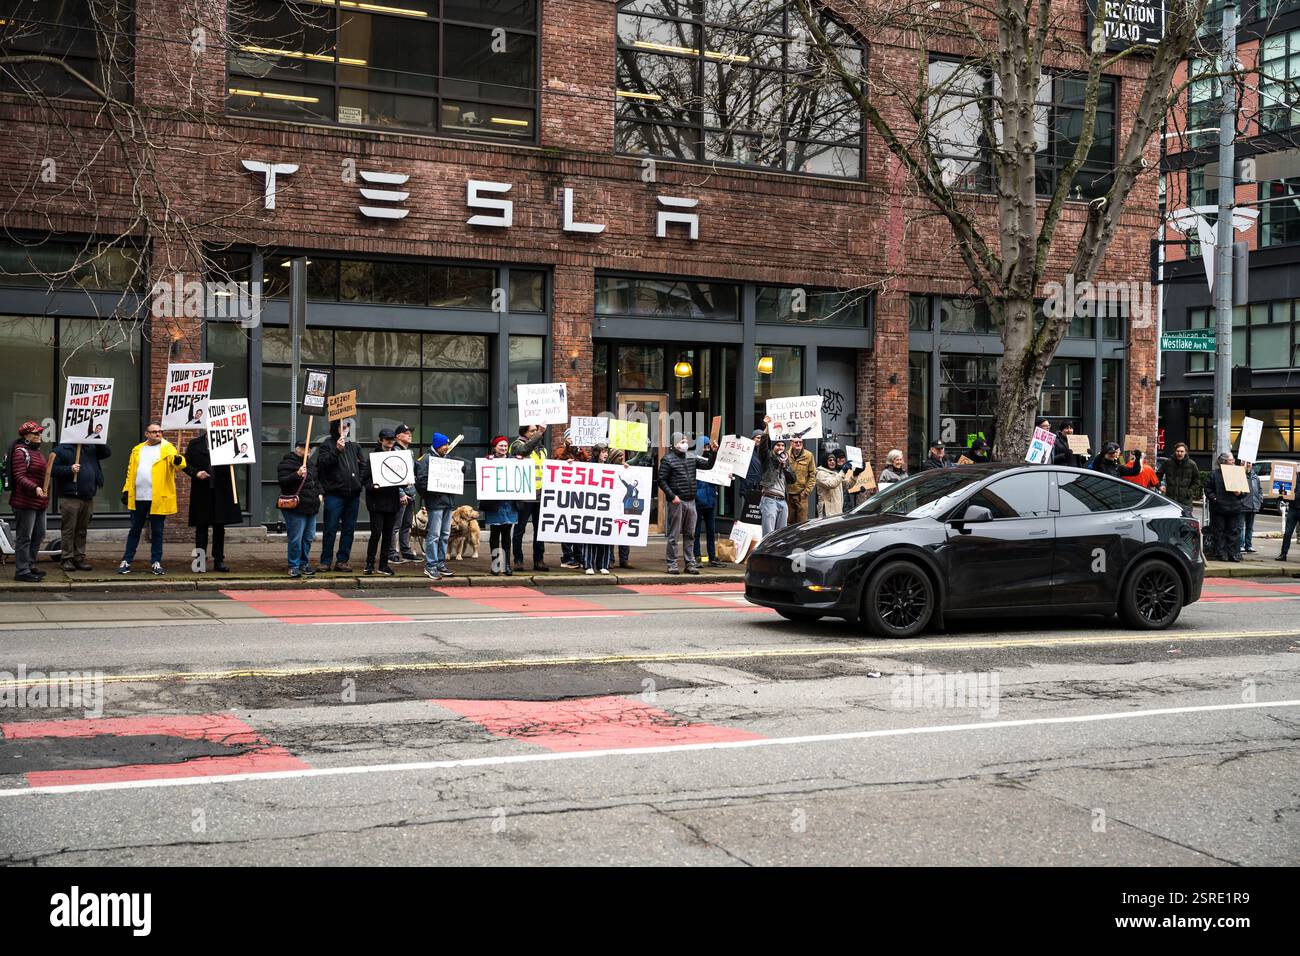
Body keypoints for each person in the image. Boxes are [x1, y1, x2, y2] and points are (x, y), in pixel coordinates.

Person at [118, 423, 186, 575]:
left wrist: (178, 461)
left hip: (158, 497)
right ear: (146, 434)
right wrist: (126, 490)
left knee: (157, 531)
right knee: (135, 529)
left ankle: (156, 562)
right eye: (154, 432)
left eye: (160, 432)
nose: (158, 434)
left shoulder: (167, 448)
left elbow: (179, 464)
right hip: (138, 496)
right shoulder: (137, 449)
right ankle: (126, 561)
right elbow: (130, 471)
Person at [657, 431, 717, 575]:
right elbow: (661, 480)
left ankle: (690, 563)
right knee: (674, 535)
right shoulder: (668, 460)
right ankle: (672, 564)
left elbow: (708, 465)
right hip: (677, 501)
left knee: (690, 534)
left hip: (691, 501)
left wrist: (714, 453)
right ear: (674, 444)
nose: (684, 444)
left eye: (685, 441)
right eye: (681, 441)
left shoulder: (691, 457)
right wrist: (672, 496)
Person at [183, 431, 241, 573]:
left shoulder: (227, 441)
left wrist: (234, 441)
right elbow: (186, 464)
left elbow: (239, 456)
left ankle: (219, 560)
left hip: (221, 490)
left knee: (219, 527)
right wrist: (196, 473)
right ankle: (200, 561)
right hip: (202, 491)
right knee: (201, 527)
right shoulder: (195, 444)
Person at [50, 437, 111, 571]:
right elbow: (52, 470)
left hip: (87, 496)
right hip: (70, 496)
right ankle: (67, 559)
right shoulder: (61, 449)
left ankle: (79, 558)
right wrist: (69, 469)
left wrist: (96, 439)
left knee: (82, 530)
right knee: (69, 530)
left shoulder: (91, 447)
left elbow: (107, 453)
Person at [316, 419, 364, 572]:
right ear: (335, 428)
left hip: (352, 495)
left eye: (347, 427)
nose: (345, 429)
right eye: (342, 426)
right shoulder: (327, 445)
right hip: (335, 494)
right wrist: (336, 450)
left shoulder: (354, 446)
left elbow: (363, 466)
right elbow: (322, 464)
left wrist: (359, 482)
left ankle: (342, 560)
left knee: (348, 529)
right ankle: (325, 561)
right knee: (330, 528)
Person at [7, 421, 49, 582]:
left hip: (39, 502)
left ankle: (30, 566)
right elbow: (19, 476)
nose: (39, 436)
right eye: (35, 433)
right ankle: (22, 571)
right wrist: (35, 488)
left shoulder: (37, 452)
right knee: (24, 536)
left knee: (39, 533)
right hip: (24, 502)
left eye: (39, 433)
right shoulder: (20, 452)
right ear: (26, 436)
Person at [414, 432, 458, 581]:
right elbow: (421, 482)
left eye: (447, 444)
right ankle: (431, 565)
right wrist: (431, 493)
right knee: (434, 535)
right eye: (444, 445)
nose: (447, 447)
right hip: (436, 503)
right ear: (437, 445)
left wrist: (461, 472)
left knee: (445, 534)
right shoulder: (426, 460)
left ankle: (440, 563)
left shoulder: (446, 458)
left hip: (447, 502)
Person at [277, 439, 322, 578]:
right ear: (298, 449)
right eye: (305, 448)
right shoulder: (287, 463)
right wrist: (296, 474)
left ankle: (303, 563)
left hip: (311, 506)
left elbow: (316, 481)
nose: (308, 451)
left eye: (309, 449)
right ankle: (294, 566)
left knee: (308, 537)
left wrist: (321, 493)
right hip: (295, 507)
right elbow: (283, 481)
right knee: (296, 538)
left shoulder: (310, 464)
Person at [510, 423, 549, 572]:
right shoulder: (516, 445)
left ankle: (539, 560)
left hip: (541, 495)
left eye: (536, 431)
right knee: (520, 528)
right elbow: (524, 451)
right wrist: (540, 433)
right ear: (524, 432)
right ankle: (518, 560)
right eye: (532, 431)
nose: (535, 433)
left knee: (540, 530)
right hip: (525, 495)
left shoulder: (542, 449)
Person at [363, 427, 401, 576]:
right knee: (376, 533)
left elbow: (402, 476)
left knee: (388, 534)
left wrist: (407, 481)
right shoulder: (373, 456)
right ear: (380, 440)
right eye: (387, 440)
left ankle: (383, 565)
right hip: (376, 502)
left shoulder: (398, 456)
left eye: (392, 440)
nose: (390, 442)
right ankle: (369, 564)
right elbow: (365, 478)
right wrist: (372, 486)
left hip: (391, 501)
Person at [480, 435, 518, 575]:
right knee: (495, 534)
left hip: (509, 503)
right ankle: (496, 564)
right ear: (495, 447)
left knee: (507, 534)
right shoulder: (488, 461)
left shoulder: (514, 461)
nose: (503, 448)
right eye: (500, 445)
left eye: (505, 445)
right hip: (494, 503)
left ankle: (507, 565)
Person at [755, 420, 796, 536]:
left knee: (780, 536)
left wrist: (785, 467)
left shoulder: (785, 461)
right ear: (773, 447)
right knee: (768, 535)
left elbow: (793, 479)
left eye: (783, 445)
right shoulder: (767, 458)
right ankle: (765, 554)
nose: (781, 447)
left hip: (782, 501)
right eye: (778, 445)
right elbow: (762, 446)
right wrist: (767, 427)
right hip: (769, 500)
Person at [1204, 452, 1246, 562]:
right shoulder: (1214, 474)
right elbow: (1207, 489)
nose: (1233, 462)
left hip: (1234, 508)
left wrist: (1240, 493)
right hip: (1219, 508)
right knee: (1219, 532)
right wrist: (1214, 498)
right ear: (1224, 461)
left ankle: (1232, 554)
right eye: (1231, 460)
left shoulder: (1237, 473)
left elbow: (1244, 491)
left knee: (1232, 532)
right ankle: (1221, 553)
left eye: (1233, 460)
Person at [387, 423, 418, 566]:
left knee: (407, 525)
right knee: (395, 526)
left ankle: (406, 551)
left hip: (410, 493)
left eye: (410, 432)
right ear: (398, 436)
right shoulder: (394, 451)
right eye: (406, 433)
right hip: (400, 495)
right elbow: (391, 476)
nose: (409, 435)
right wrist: (400, 492)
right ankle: (391, 553)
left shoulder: (409, 452)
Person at [582, 444, 616, 575]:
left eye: (606, 452)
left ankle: (603, 564)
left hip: (605, 506)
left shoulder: (610, 468)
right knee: (590, 537)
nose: (605, 454)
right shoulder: (588, 466)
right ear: (597, 453)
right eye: (603, 452)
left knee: (605, 536)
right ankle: (588, 565)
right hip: (591, 505)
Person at [692, 436, 721, 566]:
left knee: (711, 530)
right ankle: (697, 555)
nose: (706, 449)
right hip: (698, 500)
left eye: (707, 446)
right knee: (696, 531)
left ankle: (712, 556)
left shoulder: (712, 460)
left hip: (709, 499)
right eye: (704, 446)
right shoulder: (694, 460)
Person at [611, 448, 637, 569]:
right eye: (619, 456)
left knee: (625, 531)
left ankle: (624, 559)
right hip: (613, 504)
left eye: (622, 456)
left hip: (625, 505)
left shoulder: (626, 470)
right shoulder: (607, 469)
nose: (622, 459)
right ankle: (610, 559)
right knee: (611, 531)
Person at [1156, 442, 1200, 514]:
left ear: (1185, 452)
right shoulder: (1168, 463)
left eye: (1182, 451)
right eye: (1178, 451)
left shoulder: (1192, 464)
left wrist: (1189, 492)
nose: (1179, 453)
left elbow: (1196, 481)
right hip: (1170, 499)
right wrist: (1159, 486)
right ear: (1175, 451)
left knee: (1185, 523)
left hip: (1185, 501)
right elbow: (1158, 475)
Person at [785, 436, 816, 525]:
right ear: (791, 443)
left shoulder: (808, 455)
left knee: (802, 523)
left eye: (800, 442)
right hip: (788, 494)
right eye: (796, 442)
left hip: (801, 495)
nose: (798, 444)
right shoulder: (786, 455)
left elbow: (813, 474)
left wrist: (807, 491)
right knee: (788, 522)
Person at [815, 447, 852, 517]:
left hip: (837, 509)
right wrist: (843, 471)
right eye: (830, 460)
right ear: (825, 462)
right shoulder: (820, 473)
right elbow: (832, 484)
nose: (832, 462)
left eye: (834, 460)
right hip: (828, 510)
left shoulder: (835, 473)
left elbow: (847, 485)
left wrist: (856, 474)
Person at [1240, 460, 1263, 555]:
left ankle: (1248, 546)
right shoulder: (1240, 476)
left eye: (1249, 463)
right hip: (1242, 506)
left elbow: (1260, 490)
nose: (1248, 465)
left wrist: (1259, 500)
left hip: (1253, 506)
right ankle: (1241, 545)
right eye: (1246, 463)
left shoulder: (1255, 477)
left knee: (1250, 528)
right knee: (1241, 527)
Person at [1278, 496, 1300, 561]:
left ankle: (1283, 554)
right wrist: (1282, 497)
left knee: (1288, 532)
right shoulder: (1292, 485)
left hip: (1294, 509)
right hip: (1293, 509)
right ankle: (1283, 554)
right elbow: (1287, 494)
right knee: (1287, 533)